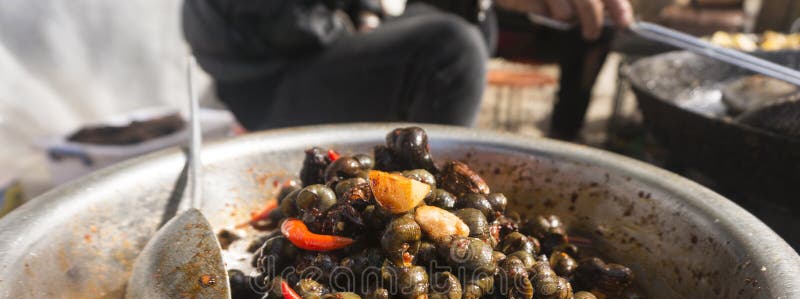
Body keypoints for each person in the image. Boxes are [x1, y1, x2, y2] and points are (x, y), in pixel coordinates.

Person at [182, 0, 632, 131]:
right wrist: (360, 25)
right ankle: (431, 216)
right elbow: (284, 22)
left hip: (319, 43)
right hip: (266, 83)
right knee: (449, 48)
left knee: (469, 17)